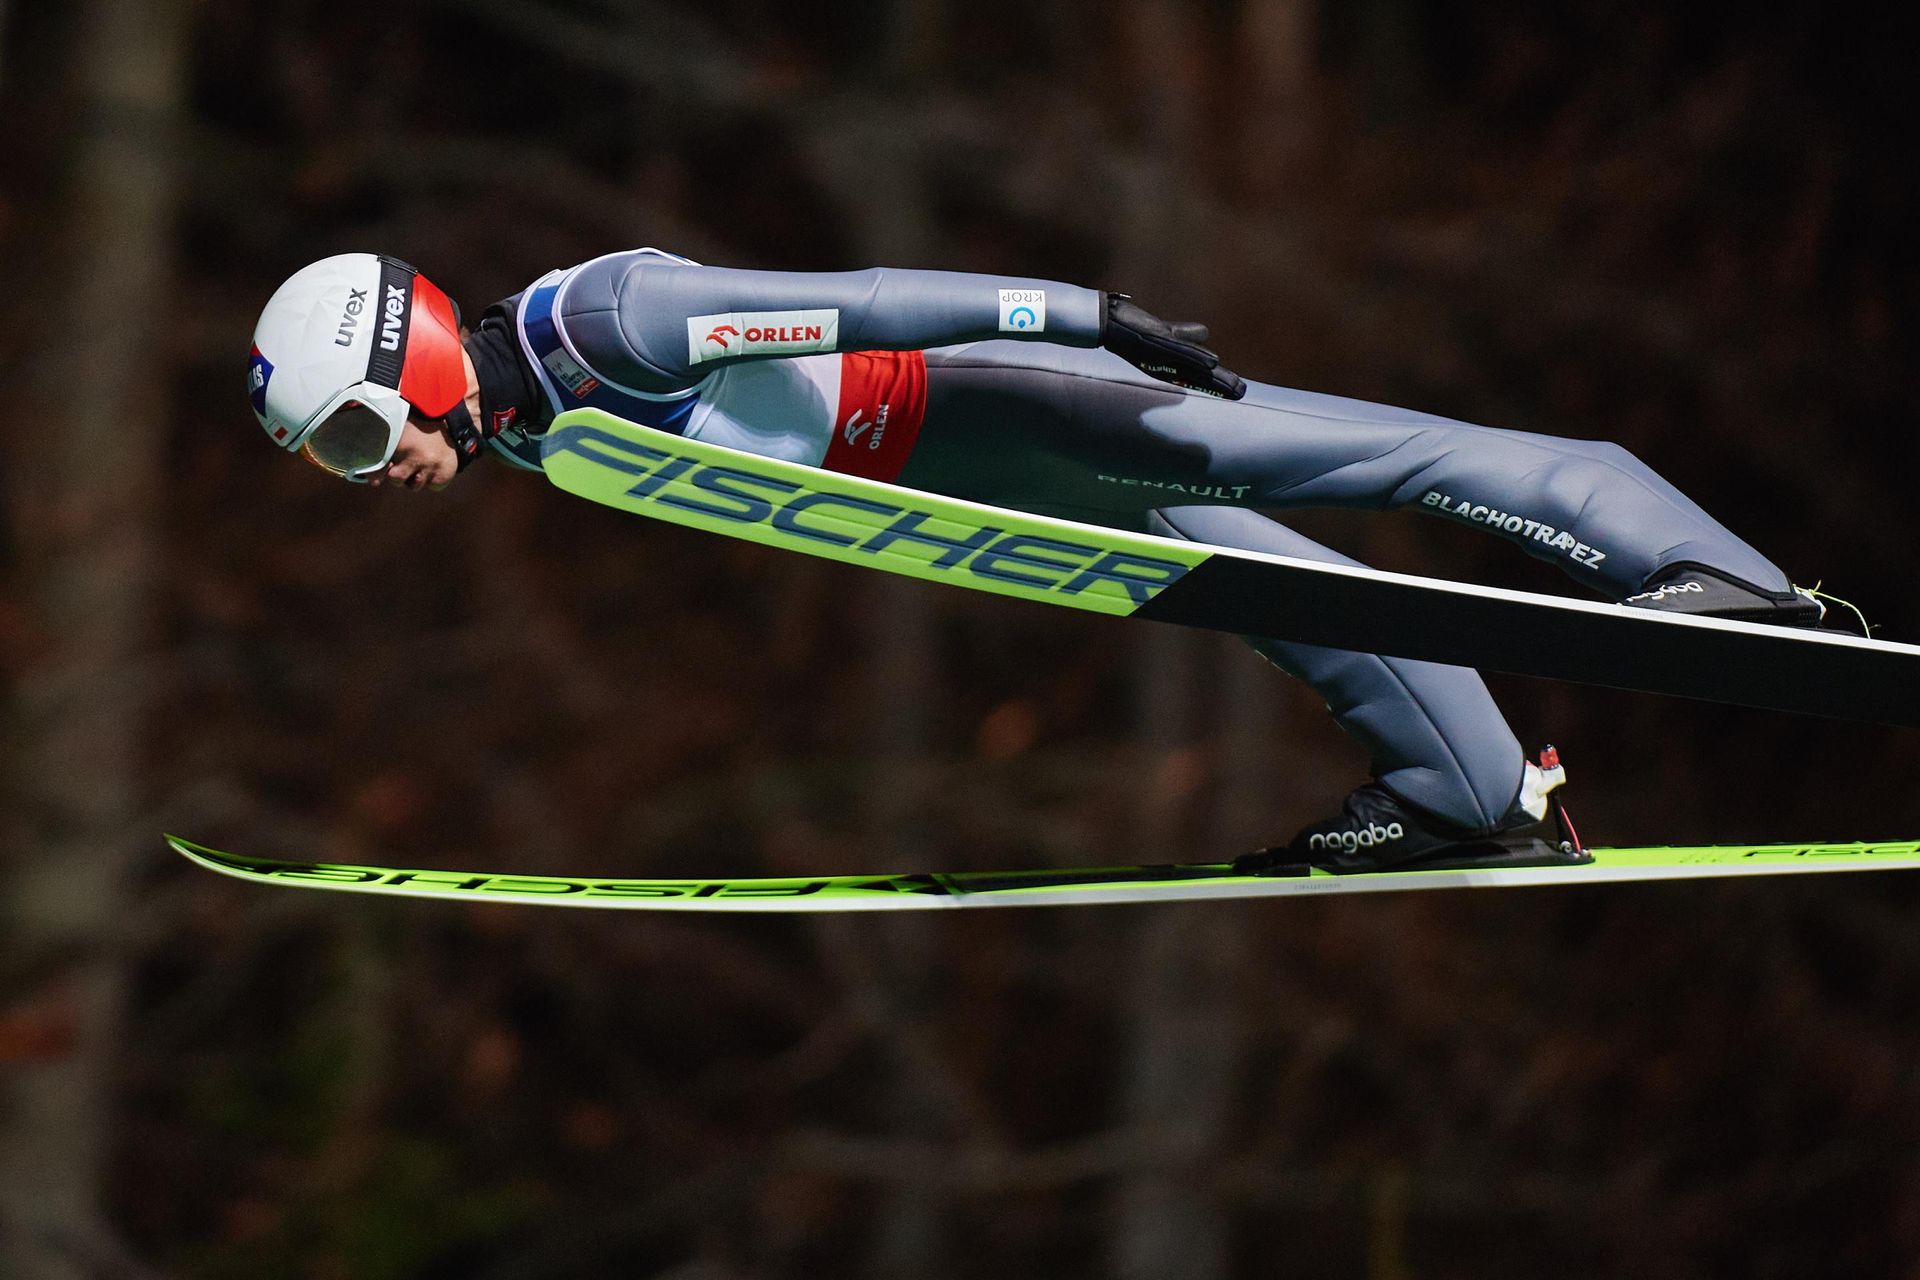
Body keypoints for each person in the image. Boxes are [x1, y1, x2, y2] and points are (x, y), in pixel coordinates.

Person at [247, 251, 1825, 874]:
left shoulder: (603, 328)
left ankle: (1721, 580)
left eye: (358, 436)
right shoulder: (539, 434)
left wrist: (1082, 317)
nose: (374, 476)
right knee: (1283, 601)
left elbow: (862, 302)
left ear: (415, 356)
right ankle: (1468, 793)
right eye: (335, 464)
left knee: (1380, 459)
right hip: (980, 486)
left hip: (1017, 403)